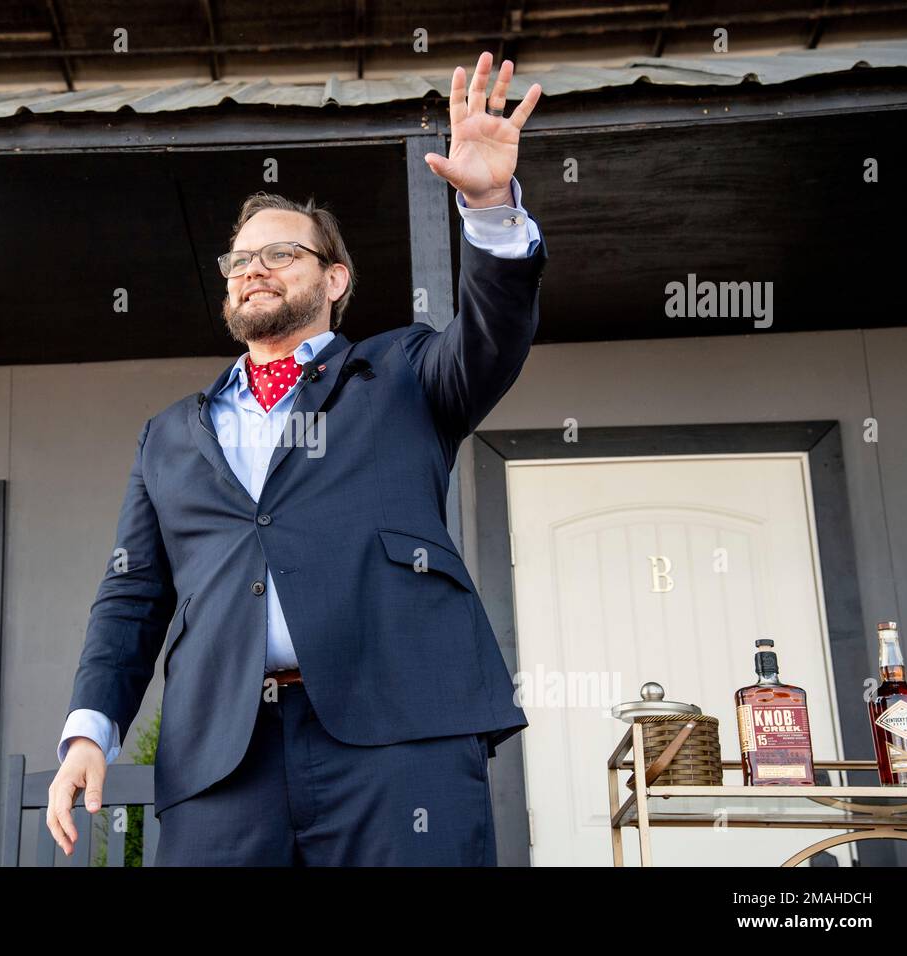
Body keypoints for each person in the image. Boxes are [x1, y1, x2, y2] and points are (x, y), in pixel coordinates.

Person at [49, 51, 545, 865]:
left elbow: (491, 340)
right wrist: (88, 732)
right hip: (224, 762)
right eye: (239, 261)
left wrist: (489, 205)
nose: (253, 271)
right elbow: (131, 597)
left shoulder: (403, 375)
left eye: (279, 254)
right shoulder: (169, 434)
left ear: (335, 278)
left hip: (399, 738)